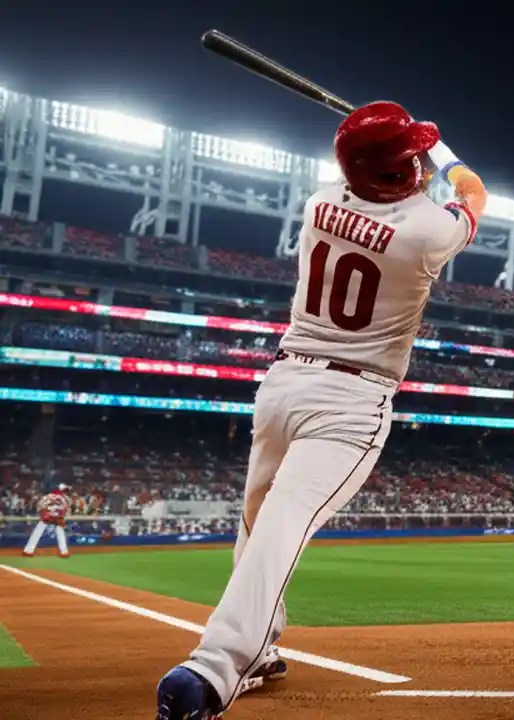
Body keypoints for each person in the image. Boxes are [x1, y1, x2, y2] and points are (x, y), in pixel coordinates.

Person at [155, 101, 487, 720]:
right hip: (350, 401)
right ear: (397, 172)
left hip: (282, 385)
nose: (417, 160)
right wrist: (445, 155)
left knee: (258, 524)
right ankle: (215, 667)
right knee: (281, 527)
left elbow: (366, 177)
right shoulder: (424, 232)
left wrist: (381, 143)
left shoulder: (318, 202)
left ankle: (259, 650)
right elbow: (473, 193)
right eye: (409, 156)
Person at [21, 483, 72, 558]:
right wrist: (59, 515)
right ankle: (64, 552)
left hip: (47, 517)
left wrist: (44, 513)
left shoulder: (47, 496)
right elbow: (66, 508)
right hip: (57, 517)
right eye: (66, 490)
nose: (67, 492)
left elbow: (40, 505)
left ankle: (28, 551)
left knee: (37, 533)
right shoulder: (64, 498)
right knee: (60, 534)